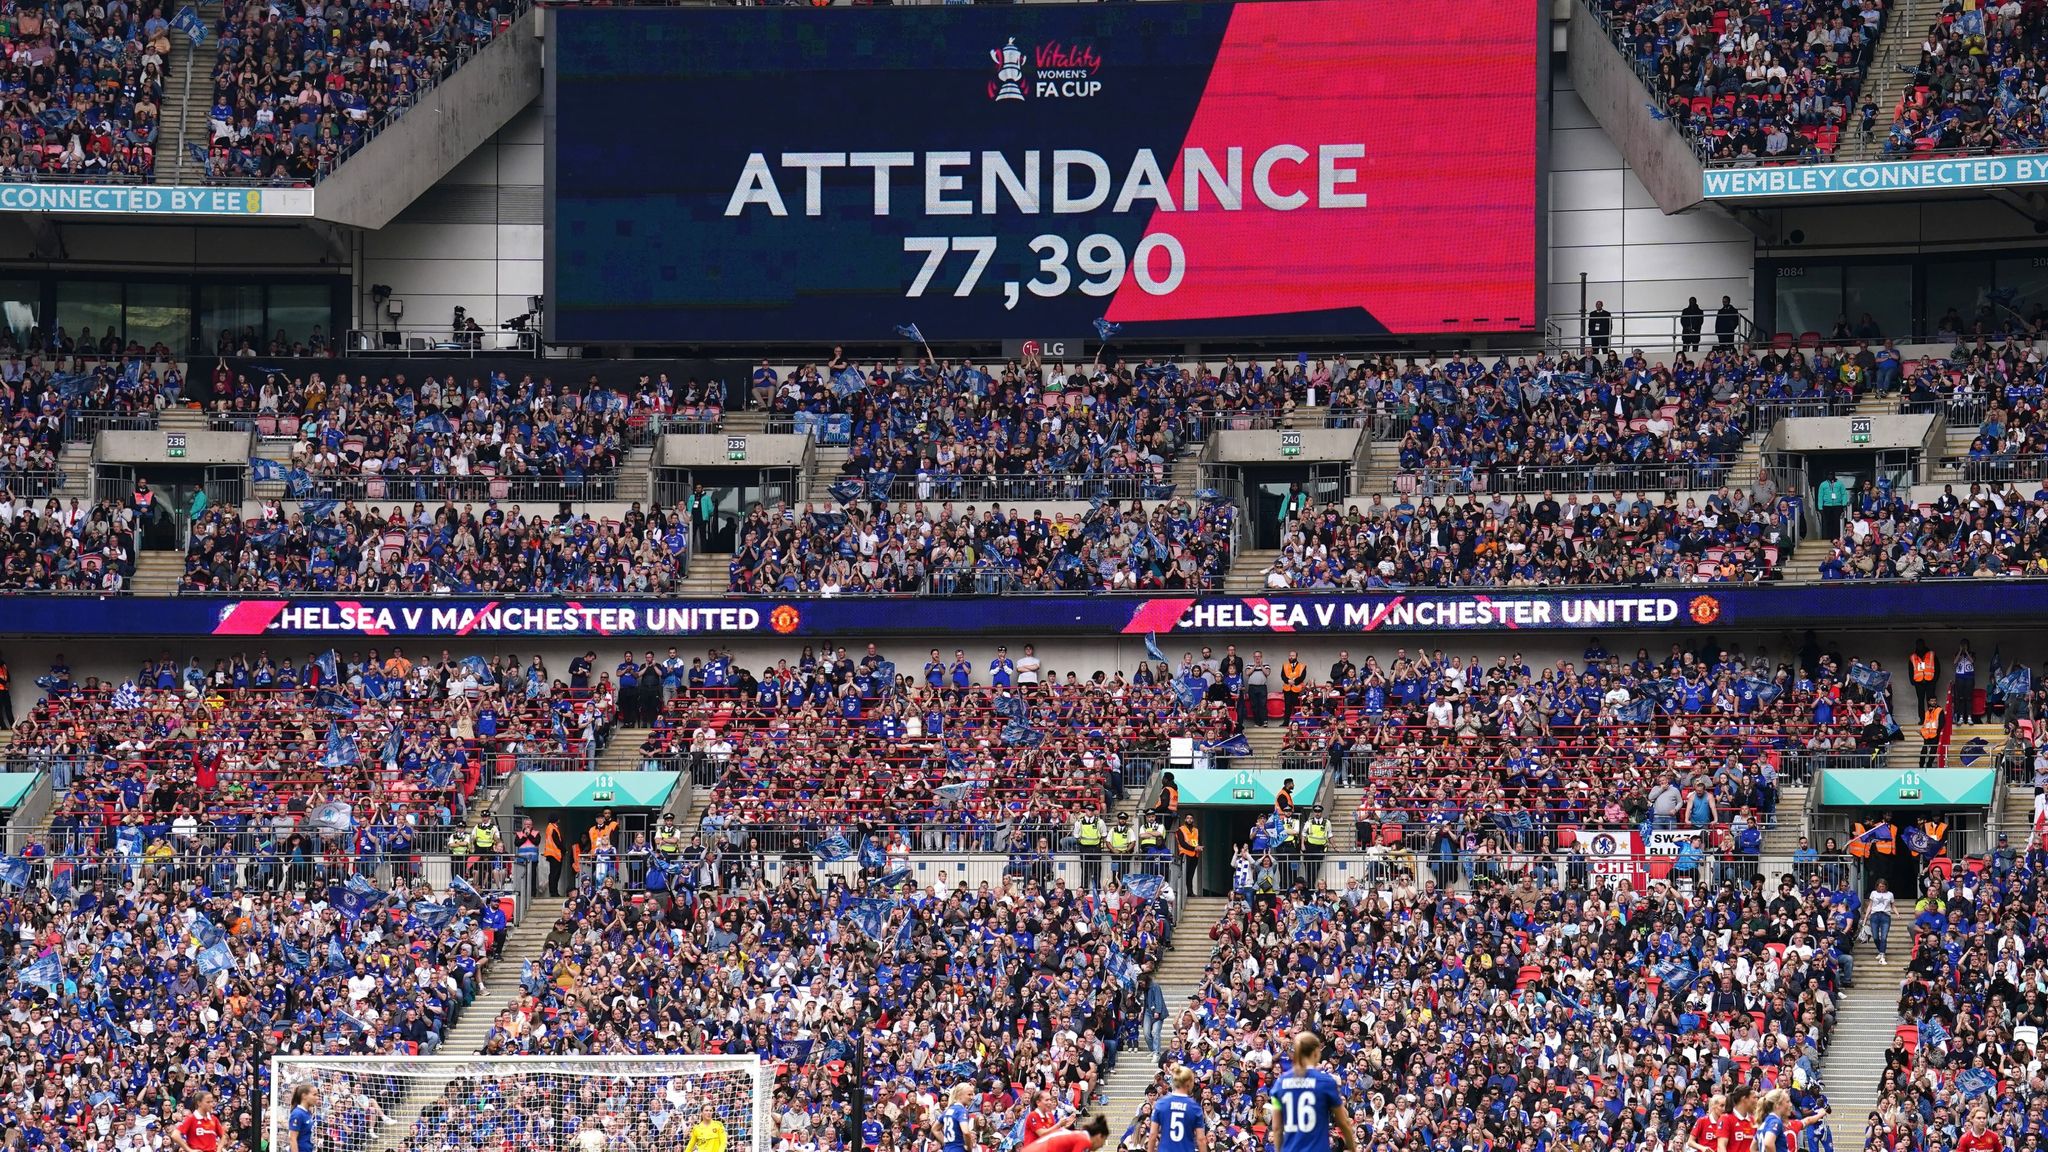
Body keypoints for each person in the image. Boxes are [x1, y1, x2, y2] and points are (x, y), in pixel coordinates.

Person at [1270, 1032, 1355, 1152]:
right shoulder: (1326, 1082)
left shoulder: (1280, 1084)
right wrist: (1352, 1148)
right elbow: (1343, 1122)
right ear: (1316, 1052)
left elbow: (1277, 1127)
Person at [1148, 1067, 1210, 1152]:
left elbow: (1152, 1135)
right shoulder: (1194, 1107)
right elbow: (1201, 1139)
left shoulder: (1161, 1104)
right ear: (1189, 1082)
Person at [1020, 1116, 1110, 1152]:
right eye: (1104, 1140)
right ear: (1099, 1136)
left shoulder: (1075, 1135)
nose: (1101, 1146)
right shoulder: (1084, 1140)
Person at [933, 1084, 976, 1152]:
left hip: (947, 1149)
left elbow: (935, 1129)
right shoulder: (961, 1110)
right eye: (969, 1094)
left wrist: (946, 1143)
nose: (972, 1097)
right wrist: (969, 1148)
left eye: (972, 1094)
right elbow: (966, 1132)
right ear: (959, 1095)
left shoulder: (948, 1110)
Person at [1909, 640, 1939, 722]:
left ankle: (1932, 717)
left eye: (1921, 644)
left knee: (1931, 700)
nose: (1919, 646)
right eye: (1918, 644)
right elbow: (1911, 670)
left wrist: (1934, 680)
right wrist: (1913, 682)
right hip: (1919, 682)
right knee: (1920, 701)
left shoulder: (1931, 654)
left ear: (1924, 644)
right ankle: (1922, 719)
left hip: (1930, 682)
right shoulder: (1913, 656)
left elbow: (1937, 668)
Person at [1867, 877, 1895, 964]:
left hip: (1885, 915)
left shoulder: (1890, 894)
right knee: (1875, 937)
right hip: (1874, 915)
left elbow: (1893, 905)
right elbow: (1870, 905)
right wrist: (1865, 918)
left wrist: (1897, 913)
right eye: (1880, 886)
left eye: (1883, 886)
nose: (1881, 888)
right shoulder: (1873, 893)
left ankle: (1882, 955)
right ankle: (1881, 951)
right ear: (1877, 886)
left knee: (1884, 936)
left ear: (1886, 886)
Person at [287, 1086, 318, 1152]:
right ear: (304, 1096)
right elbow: (292, 1139)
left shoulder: (307, 1113)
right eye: (314, 1095)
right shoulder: (298, 1114)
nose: (317, 1097)